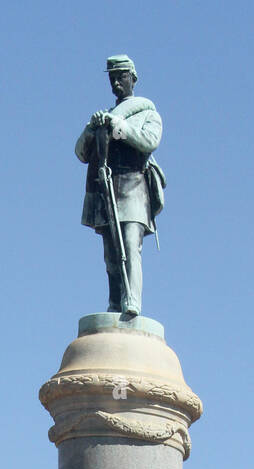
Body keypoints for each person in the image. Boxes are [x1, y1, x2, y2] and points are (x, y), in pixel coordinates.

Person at [75, 55, 164, 318]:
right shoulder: (104, 118)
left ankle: (131, 301)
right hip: (107, 186)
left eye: (121, 76)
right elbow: (81, 153)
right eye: (112, 77)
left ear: (133, 78)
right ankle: (115, 302)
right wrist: (91, 130)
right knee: (111, 253)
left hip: (134, 185)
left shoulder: (147, 113)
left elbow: (148, 141)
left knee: (130, 243)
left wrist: (120, 127)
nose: (116, 82)